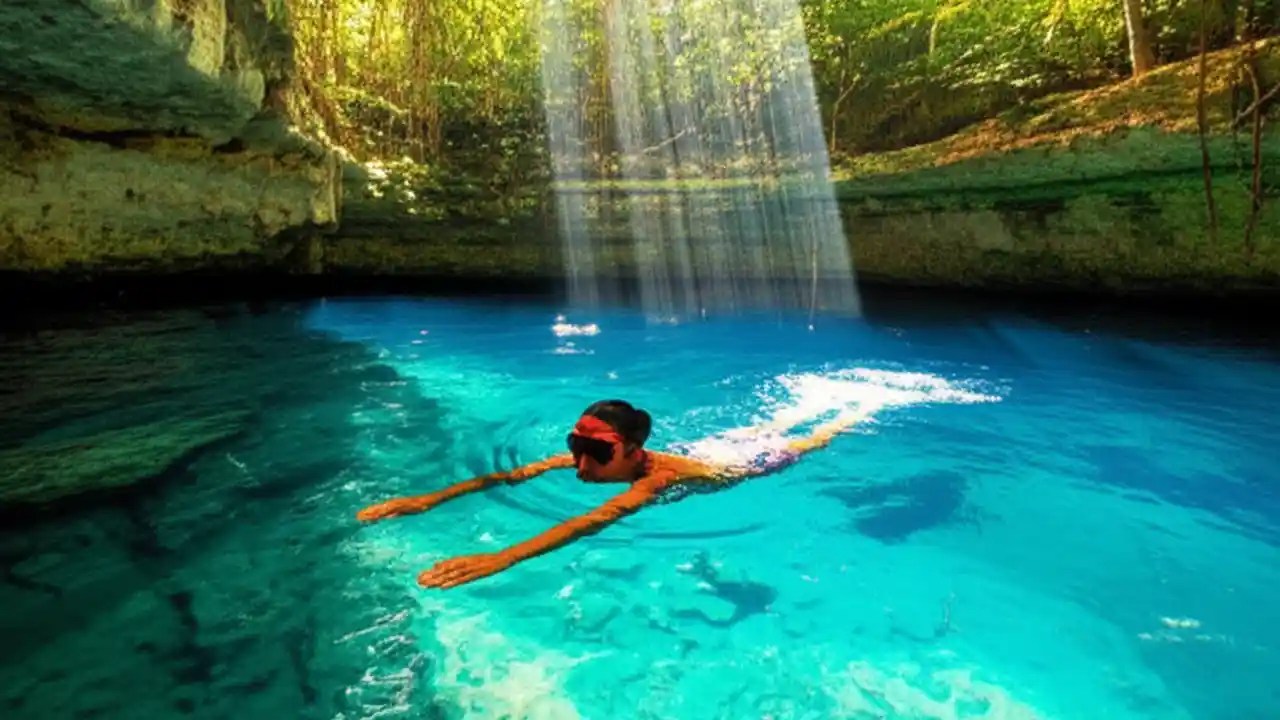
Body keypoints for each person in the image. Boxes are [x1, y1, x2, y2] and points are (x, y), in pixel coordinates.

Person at [356, 399, 867, 589]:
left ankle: (851, 415)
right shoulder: (616, 456)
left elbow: (590, 522)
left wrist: (504, 557)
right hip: (711, 446)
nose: (580, 465)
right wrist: (429, 499)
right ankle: (808, 408)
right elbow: (508, 478)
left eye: (596, 454)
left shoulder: (654, 480)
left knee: (803, 440)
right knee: (768, 423)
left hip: (744, 467)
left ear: (631, 450)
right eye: (575, 448)